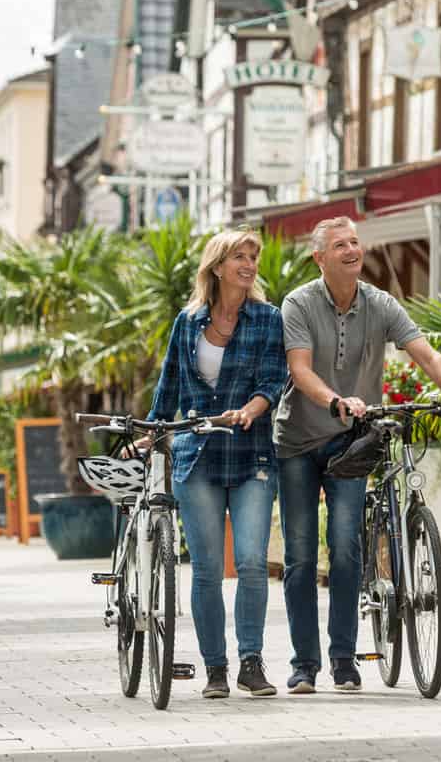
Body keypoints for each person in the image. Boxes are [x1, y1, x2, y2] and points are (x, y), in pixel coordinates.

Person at [274, 216, 441, 695]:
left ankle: (344, 659)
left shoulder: (381, 304)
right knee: (302, 556)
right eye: (339, 245)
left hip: (351, 441)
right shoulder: (299, 303)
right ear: (319, 258)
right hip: (298, 441)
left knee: (347, 550)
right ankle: (305, 664)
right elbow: (299, 370)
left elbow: (425, 353)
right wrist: (334, 400)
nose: (351, 250)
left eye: (355, 243)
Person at [148, 228, 288, 700]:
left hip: (250, 454)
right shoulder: (187, 322)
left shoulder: (268, 319)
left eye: (253, 257)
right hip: (197, 457)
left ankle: (251, 661)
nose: (249, 265)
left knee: (250, 561)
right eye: (239, 257)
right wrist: (150, 432)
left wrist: (252, 408)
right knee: (207, 569)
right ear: (217, 266)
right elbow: (168, 387)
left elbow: (274, 379)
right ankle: (215, 669)